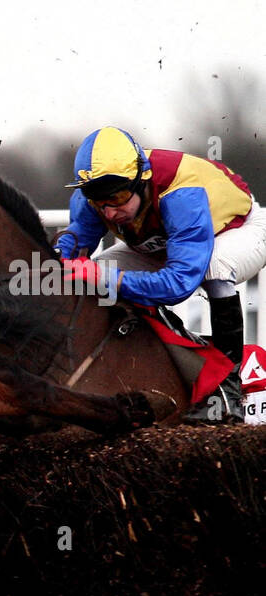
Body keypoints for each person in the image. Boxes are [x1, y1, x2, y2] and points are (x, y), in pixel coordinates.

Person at [56, 126, 266, 421]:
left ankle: (228, 390)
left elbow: (179, 284)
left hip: (238, 230)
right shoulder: (93, 195)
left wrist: (108, 280)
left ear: (142, 181)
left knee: (213, 267)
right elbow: (78, 241)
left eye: (118, 198)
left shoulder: (181, 194)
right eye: (98, 201)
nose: (109, 213)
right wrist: (58, 260)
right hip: (167, 242)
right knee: (95, 276)